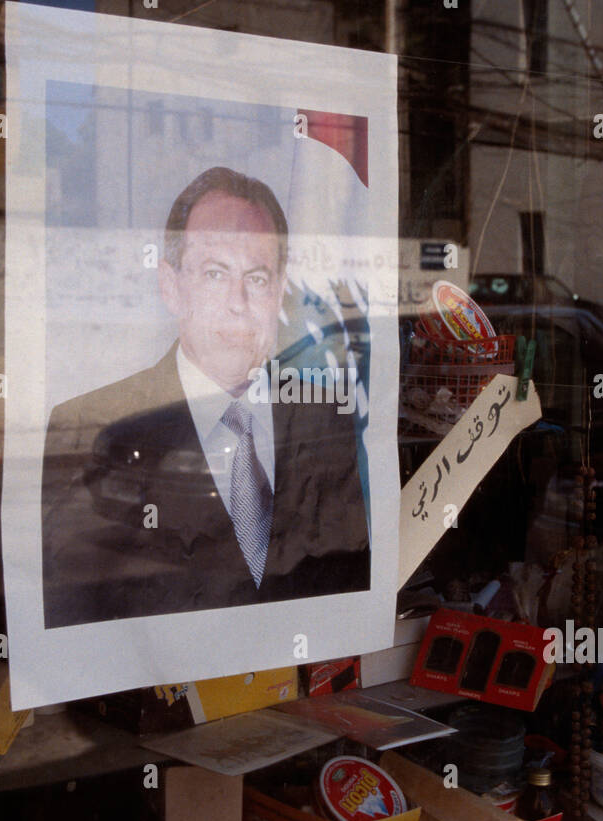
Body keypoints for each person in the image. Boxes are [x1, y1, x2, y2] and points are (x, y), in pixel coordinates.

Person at [40, 166, 370, 626]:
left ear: (278, 293)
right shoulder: (96, 426)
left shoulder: (324, 420)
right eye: (216, 274)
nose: (239, 302)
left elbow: (345, 596)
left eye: (257, 278)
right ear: (171, 286)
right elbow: (76, 619)